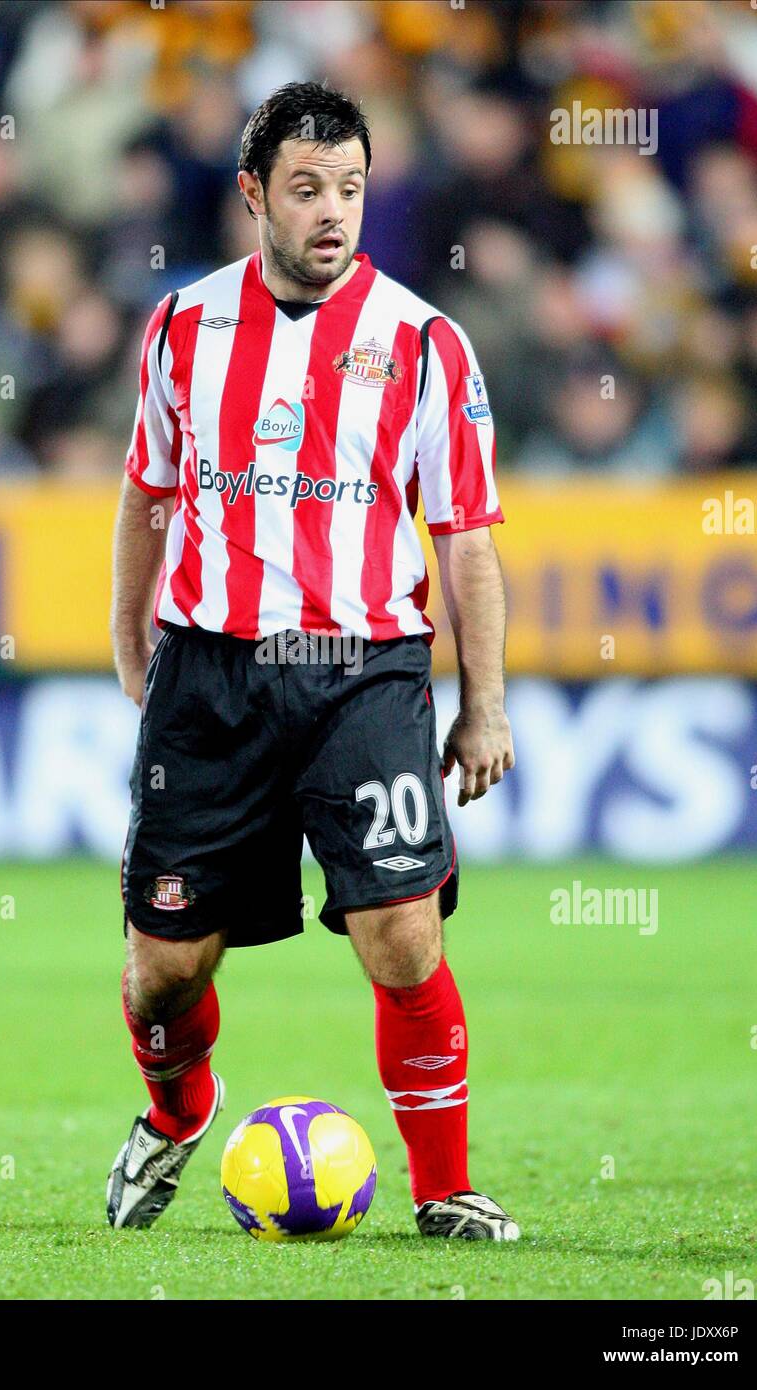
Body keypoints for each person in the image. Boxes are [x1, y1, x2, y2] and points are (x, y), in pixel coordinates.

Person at [107, 81, 518, 1241]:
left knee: (402, 932)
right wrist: (128, 635)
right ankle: (180, 1110)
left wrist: (483, 705)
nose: (333, 211)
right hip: (212, 670)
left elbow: (467, 536)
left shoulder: (426, 343)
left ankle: (444, 1187)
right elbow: (146, 492)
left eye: (349, 188)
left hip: (365, 669)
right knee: (166, 969)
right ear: (253, 196)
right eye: (306, 189)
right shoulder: (185, 327)